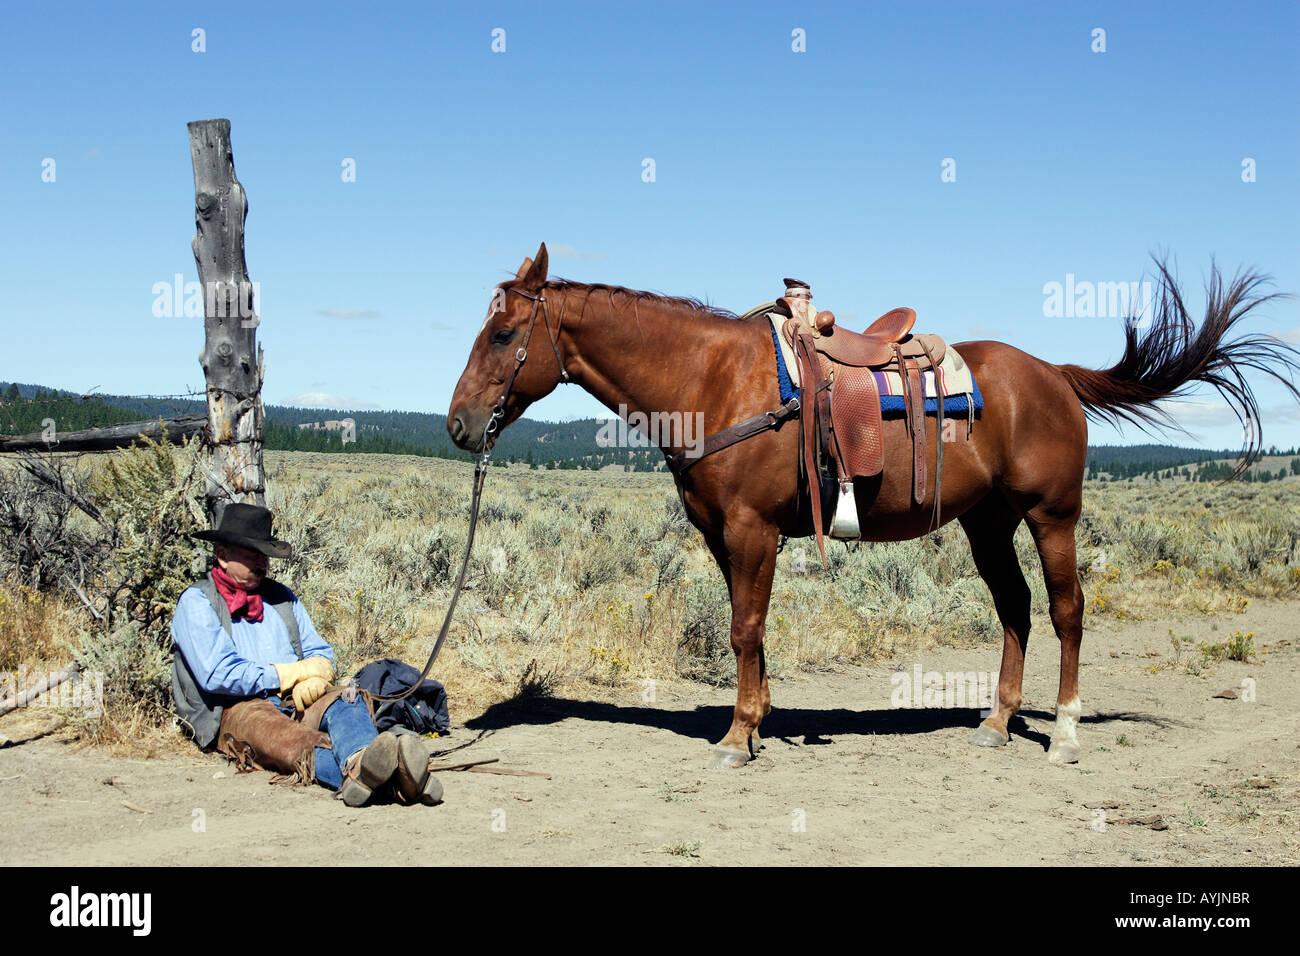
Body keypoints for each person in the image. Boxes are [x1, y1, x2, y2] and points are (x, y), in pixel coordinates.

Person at [169, 502, 442, 808]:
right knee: (289, 742)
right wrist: (289, 673)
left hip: (295, 695)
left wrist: (319, 672)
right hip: (236, 707)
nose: (262, 563)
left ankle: (361, 763)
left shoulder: (281, 598)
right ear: (222, 556)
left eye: (264, 555)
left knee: (345, 701)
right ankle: (397, 781)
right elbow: (218, 674)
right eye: (252, 555)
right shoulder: (198, 603)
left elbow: (319, 651)